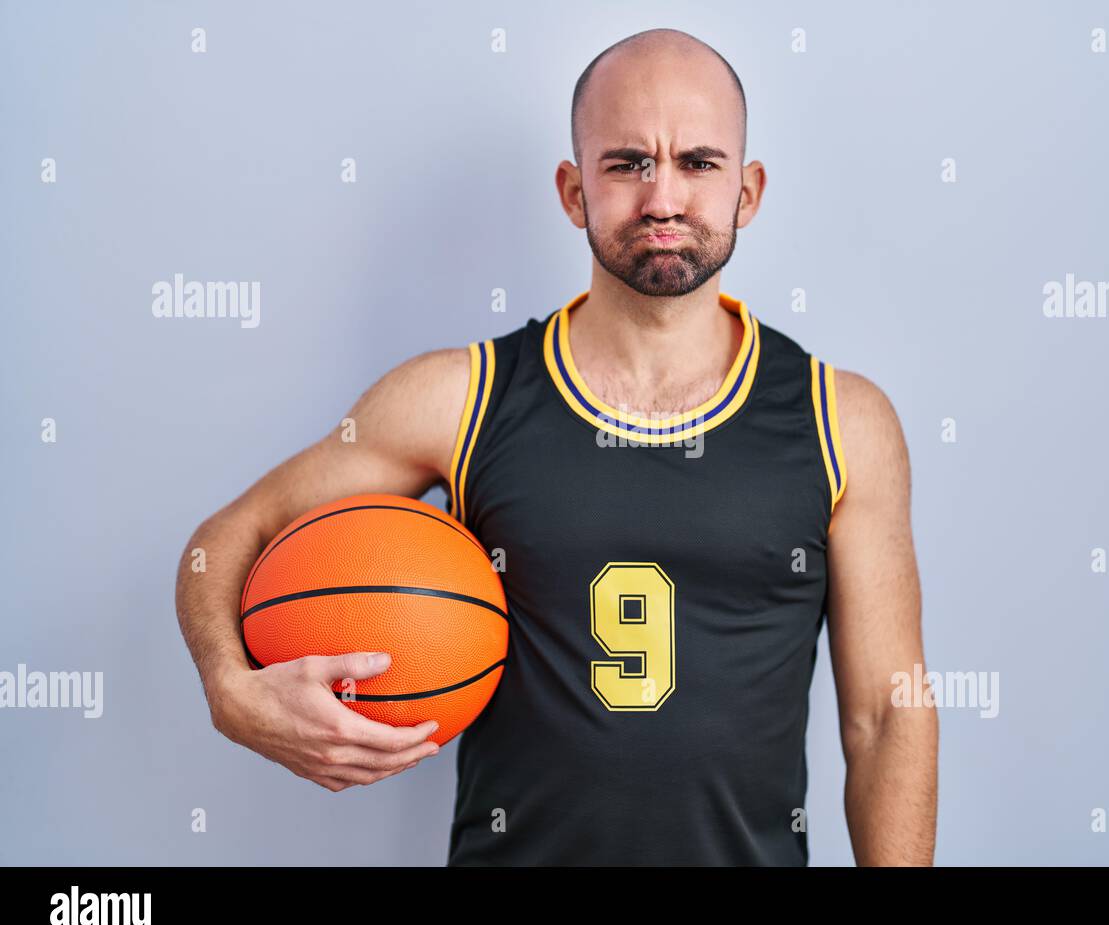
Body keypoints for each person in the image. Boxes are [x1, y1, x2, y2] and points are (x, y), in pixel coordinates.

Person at [174, 27, 936, 866]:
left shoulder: (840, 419)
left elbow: (888, 718)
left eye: (699, 163)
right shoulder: (462, 397)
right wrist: (228, 688)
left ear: (748, 192)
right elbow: (224, 542)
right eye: (626, 164)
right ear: (574, 192)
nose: (663, 199)